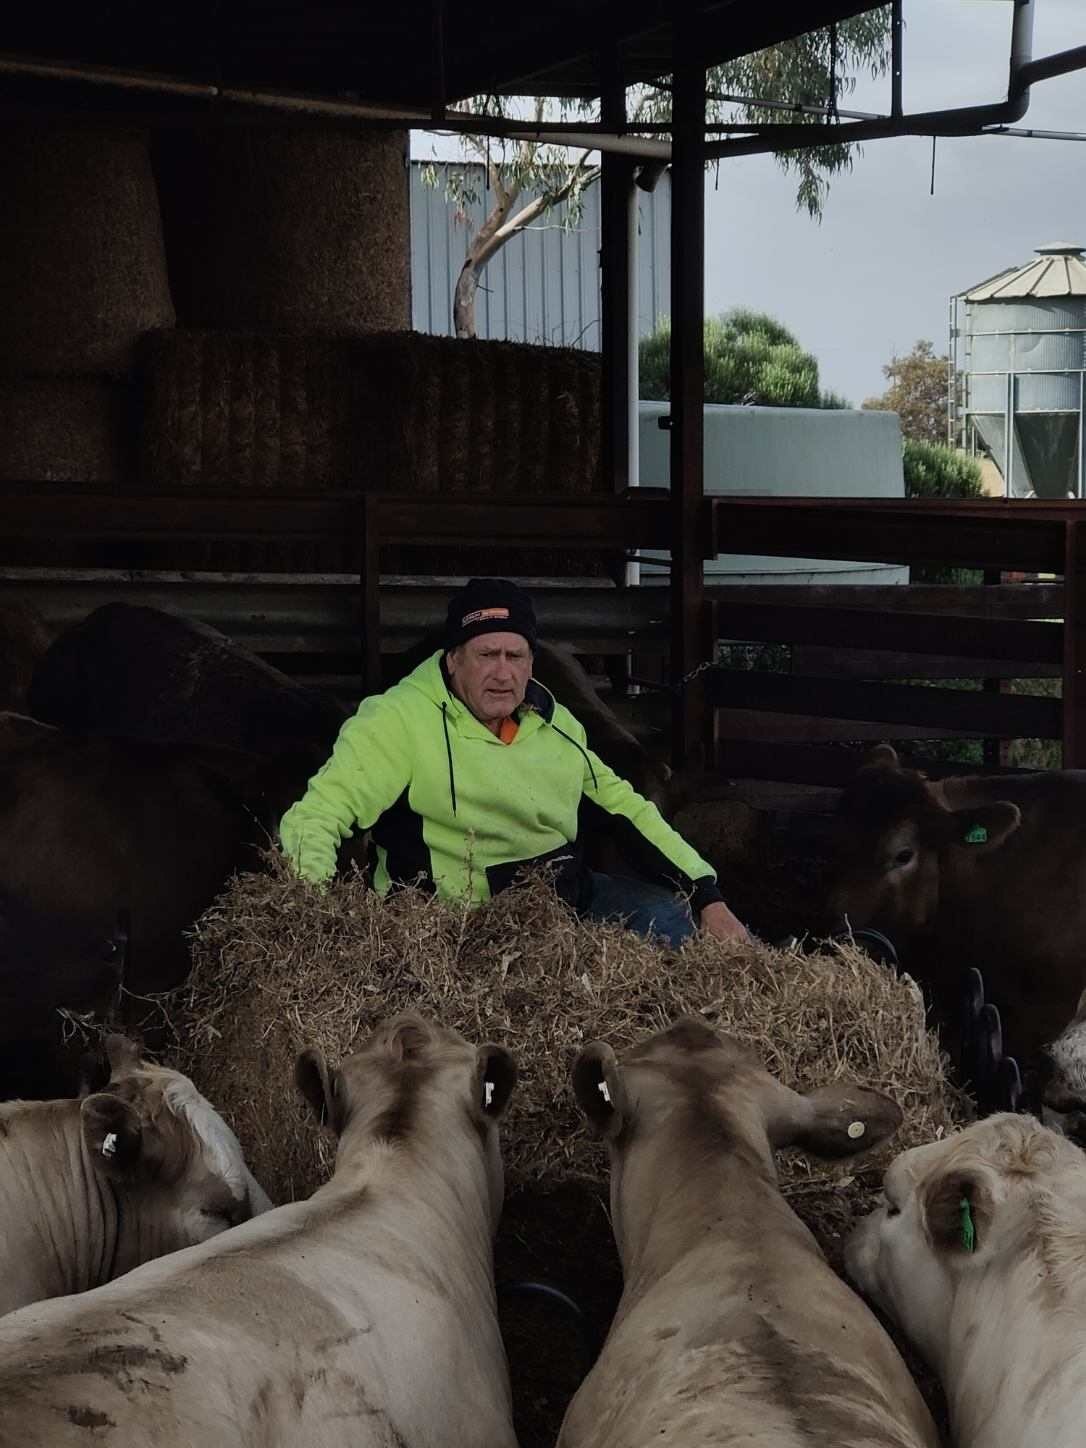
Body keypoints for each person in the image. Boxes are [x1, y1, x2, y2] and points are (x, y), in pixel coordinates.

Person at [280, 578, 748, 947]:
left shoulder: (552, 719)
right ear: (452, 661)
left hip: (563, 903)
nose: (502, 673)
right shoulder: (397, 720)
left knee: (672, 922)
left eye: (515, 656)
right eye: (486, 655)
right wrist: (311, 914)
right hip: (454, 926)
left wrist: (707, 894)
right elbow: (320, 815)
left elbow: (627, 809)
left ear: (531, 663)